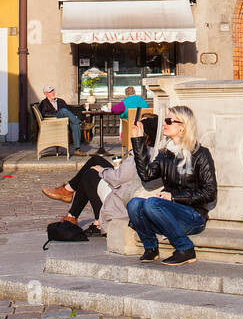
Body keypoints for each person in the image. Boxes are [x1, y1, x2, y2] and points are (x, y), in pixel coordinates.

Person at [125, 106, 216, 265]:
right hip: (167, 212)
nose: (164, 124)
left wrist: (173, 197)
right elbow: (146, 175)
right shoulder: (165, 153)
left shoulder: (200, 154)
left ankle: (185, 248)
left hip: (193, 215)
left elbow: (209, 192)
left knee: (152, 203)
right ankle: (150, 248)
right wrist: (138, 141)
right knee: (134, 204)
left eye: (169, 121)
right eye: (165, 121)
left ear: (182, 127)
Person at [45, 154, 117, 235]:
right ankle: (71, 210)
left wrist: (103, 171)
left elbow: (124, 176)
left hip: (125, 184)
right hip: (127, 176)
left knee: (89, 175)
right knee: (95, 160)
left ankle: (69, 196)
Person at [38, 84, 89, 155]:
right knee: (63, 111)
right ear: (46, 94)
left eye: (53, 90)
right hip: (53, 121)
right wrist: (56, 114)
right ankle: (82, 124)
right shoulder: (44, 103)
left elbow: (69, 112)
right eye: (50, 92)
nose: (52, 93)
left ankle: (77, 149)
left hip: (64, 121)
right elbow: (44, 115)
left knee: (75, 124)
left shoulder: (60, 101)